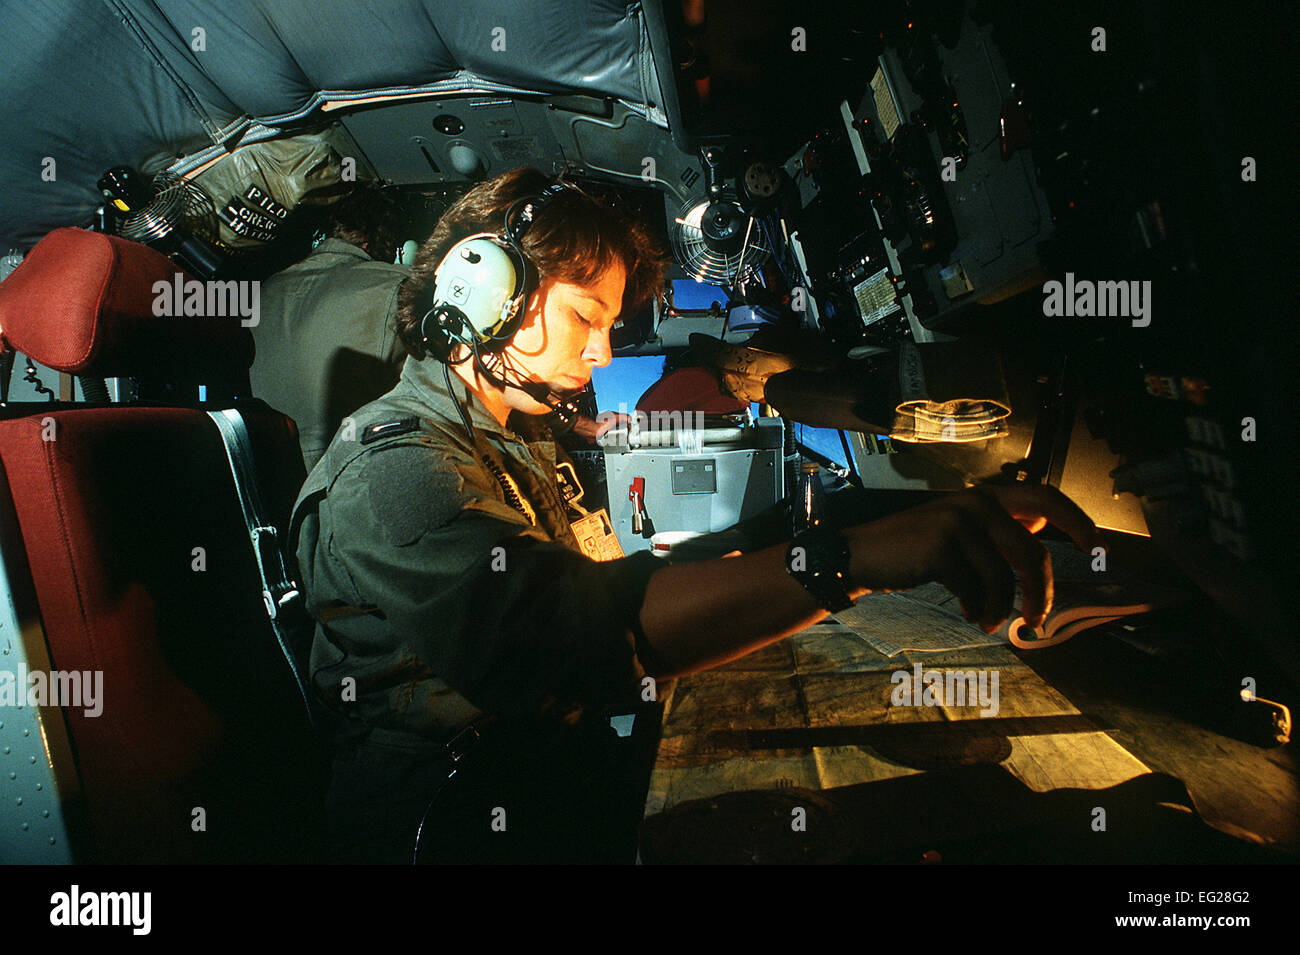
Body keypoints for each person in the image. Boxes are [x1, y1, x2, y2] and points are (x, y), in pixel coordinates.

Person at [289, 166, 1103, 863]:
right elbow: (577, 635)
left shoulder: (517, 433)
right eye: (586, 317)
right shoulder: (394, 471)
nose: (603, 353)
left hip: (544, 774)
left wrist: (869, 528)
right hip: (458, 827)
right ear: (485, 293)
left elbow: (607, 579)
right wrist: (849, 562)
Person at [250, 183, 412, 471]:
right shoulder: (396, 287)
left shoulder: (266, 288)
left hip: (263, 470)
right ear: (376, 242)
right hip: (349, 473)